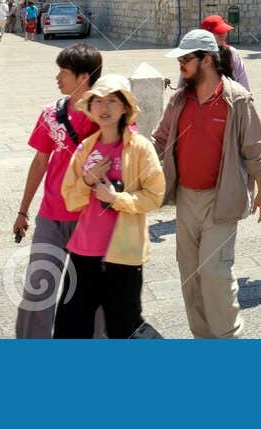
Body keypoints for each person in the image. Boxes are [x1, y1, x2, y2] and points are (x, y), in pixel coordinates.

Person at [151, 28, 261, 338]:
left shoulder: (237, 99)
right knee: (190, 275)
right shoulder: (179, 100)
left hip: (222, 198)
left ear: (206, 60)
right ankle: (202, 338)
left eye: (185, 60)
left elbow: (254, 147)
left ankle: (228, 338)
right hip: (186, 199)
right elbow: (160, 139)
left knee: (215, 273)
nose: (181, 66)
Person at [54, 75, 165, 339]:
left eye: (112, 101)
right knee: (69, 326)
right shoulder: (85, 148)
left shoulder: (140, 148)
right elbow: (71, 198)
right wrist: (88, 179)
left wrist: (116, 199)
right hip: (84, 250)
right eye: (98, 101)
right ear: (90, 107)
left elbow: (155, 195)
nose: (104, 108)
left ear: (125, 107)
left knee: (124, 327)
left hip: (124, 253)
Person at [13, 42, 102, 338]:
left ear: (83, 77)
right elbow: (40, 160)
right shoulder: (51, 112)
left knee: (92, 293)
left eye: (63, 72)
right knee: (38, 287)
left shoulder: (108, 115)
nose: (57, 78)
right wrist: (23, 210)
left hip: (91, 218)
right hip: (51, 214)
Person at [200, 13, 250, 89]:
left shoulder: (232, 52)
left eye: (224, 31)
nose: (222, 34)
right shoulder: (195, 55)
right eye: (218, 32)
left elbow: (242, 79)